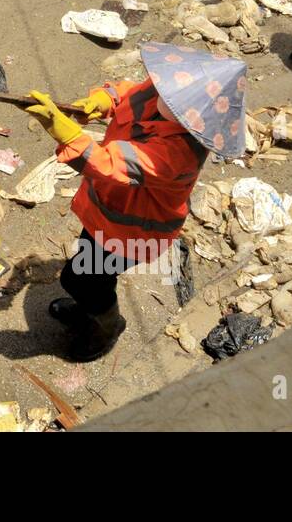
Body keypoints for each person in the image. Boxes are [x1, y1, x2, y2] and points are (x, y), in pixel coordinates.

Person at [23, 42, 246, 362]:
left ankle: (106, 327)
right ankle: (89, 306)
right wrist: (103, 100)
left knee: (80, 278)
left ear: (196, 117)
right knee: (86, 274)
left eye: (170, 93)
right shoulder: (160, 96)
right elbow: (129, 93)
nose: (159, 90)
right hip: (109, 217)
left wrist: (66, 133)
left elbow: (107, 165)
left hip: (133, 236)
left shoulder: (176, 154)